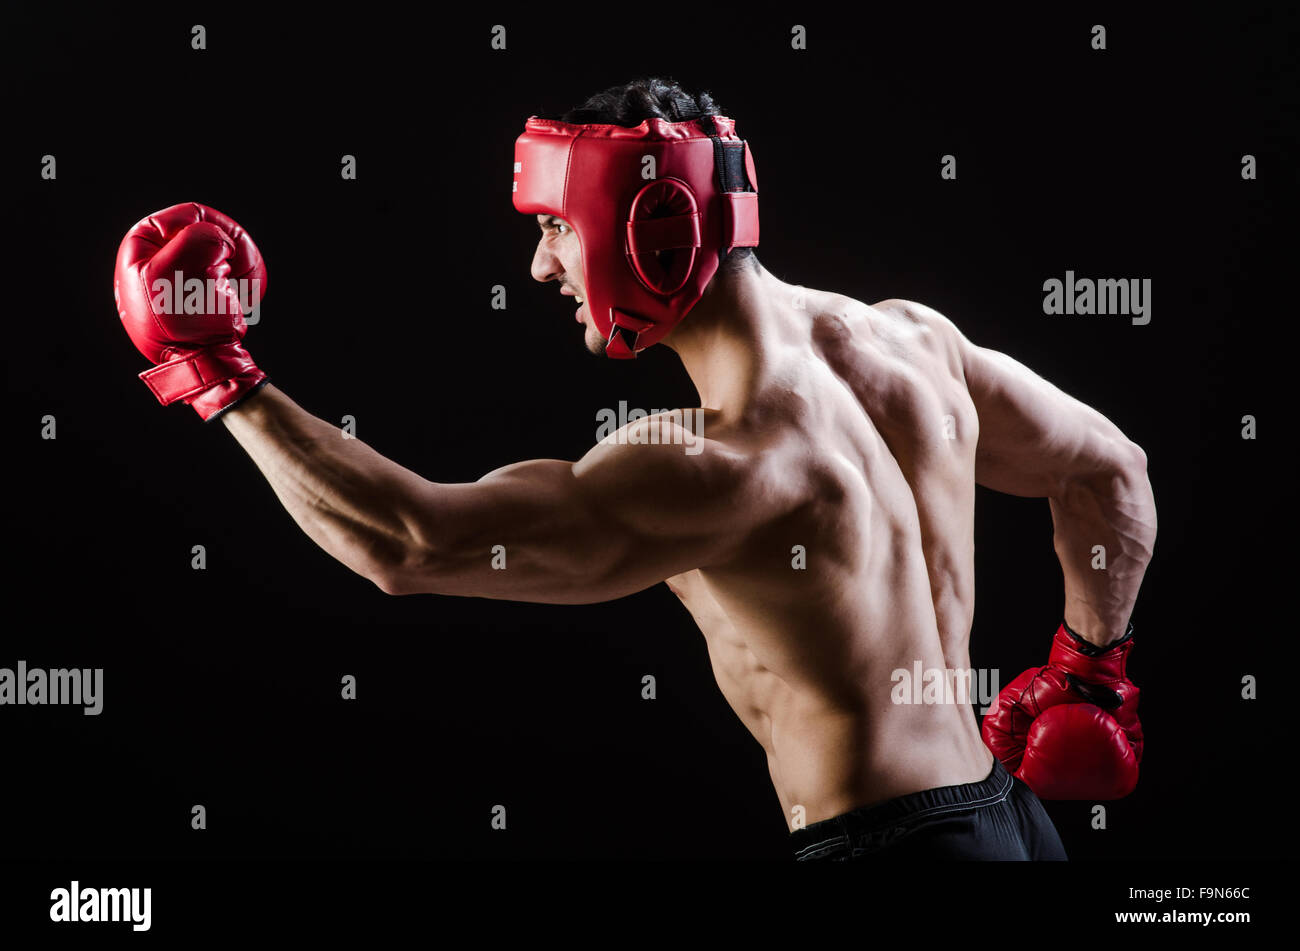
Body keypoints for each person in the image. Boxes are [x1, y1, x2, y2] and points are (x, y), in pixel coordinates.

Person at [112, 77, 1155, 861]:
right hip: (1013, 821)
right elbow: (1111, 472)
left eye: (555, 231)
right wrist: (1088, 671)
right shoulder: (914, 342)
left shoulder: (723, 463)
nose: (540, 267)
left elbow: (411, 543)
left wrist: (216, 375)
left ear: (652, 234)